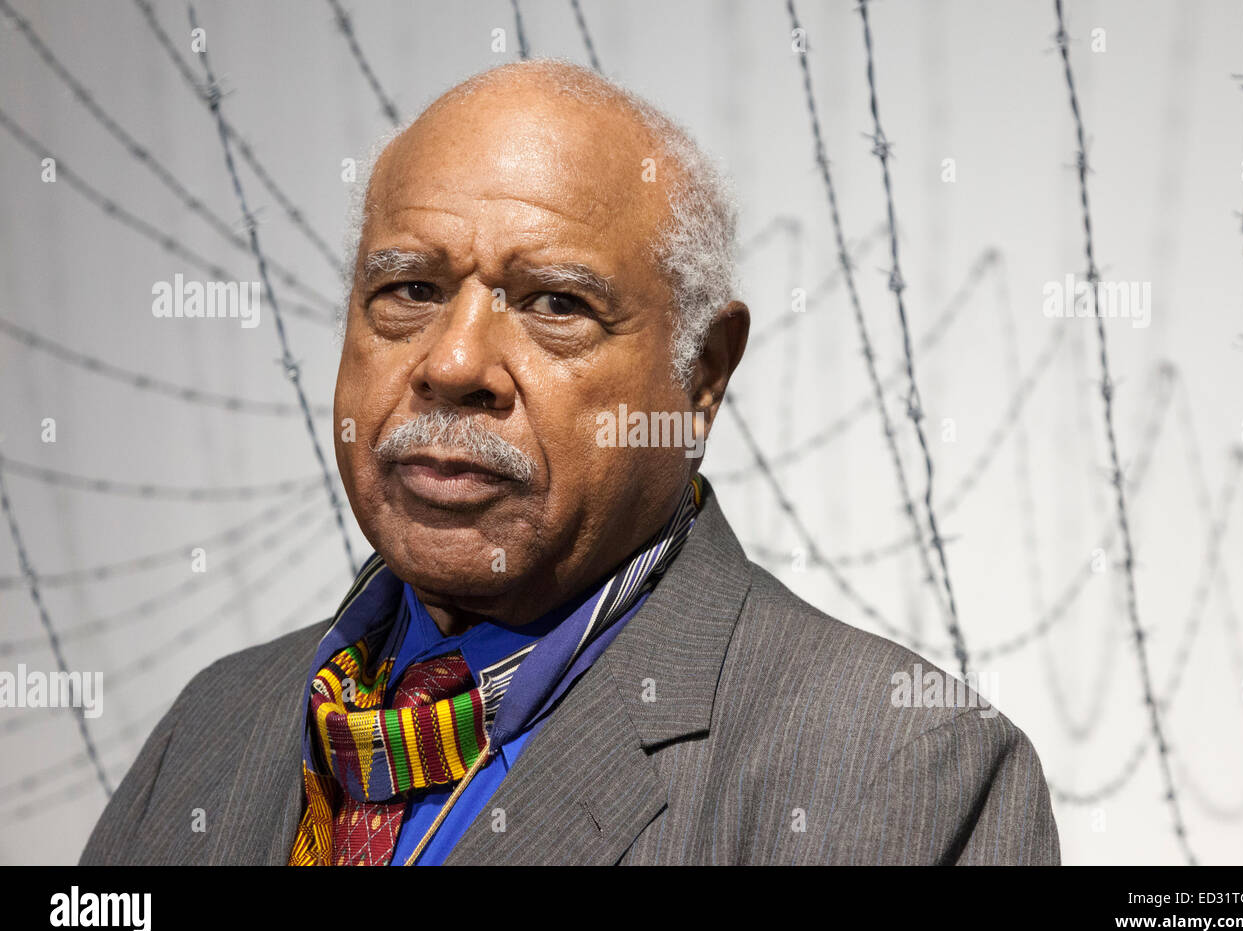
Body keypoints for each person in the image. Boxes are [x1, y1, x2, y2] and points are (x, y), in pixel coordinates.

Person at [81, 59, 1059, 866]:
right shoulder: (215, 725)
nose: (453, 364)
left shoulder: (900, 772)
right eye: (410, 288)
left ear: (702, 376)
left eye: (554, 303)